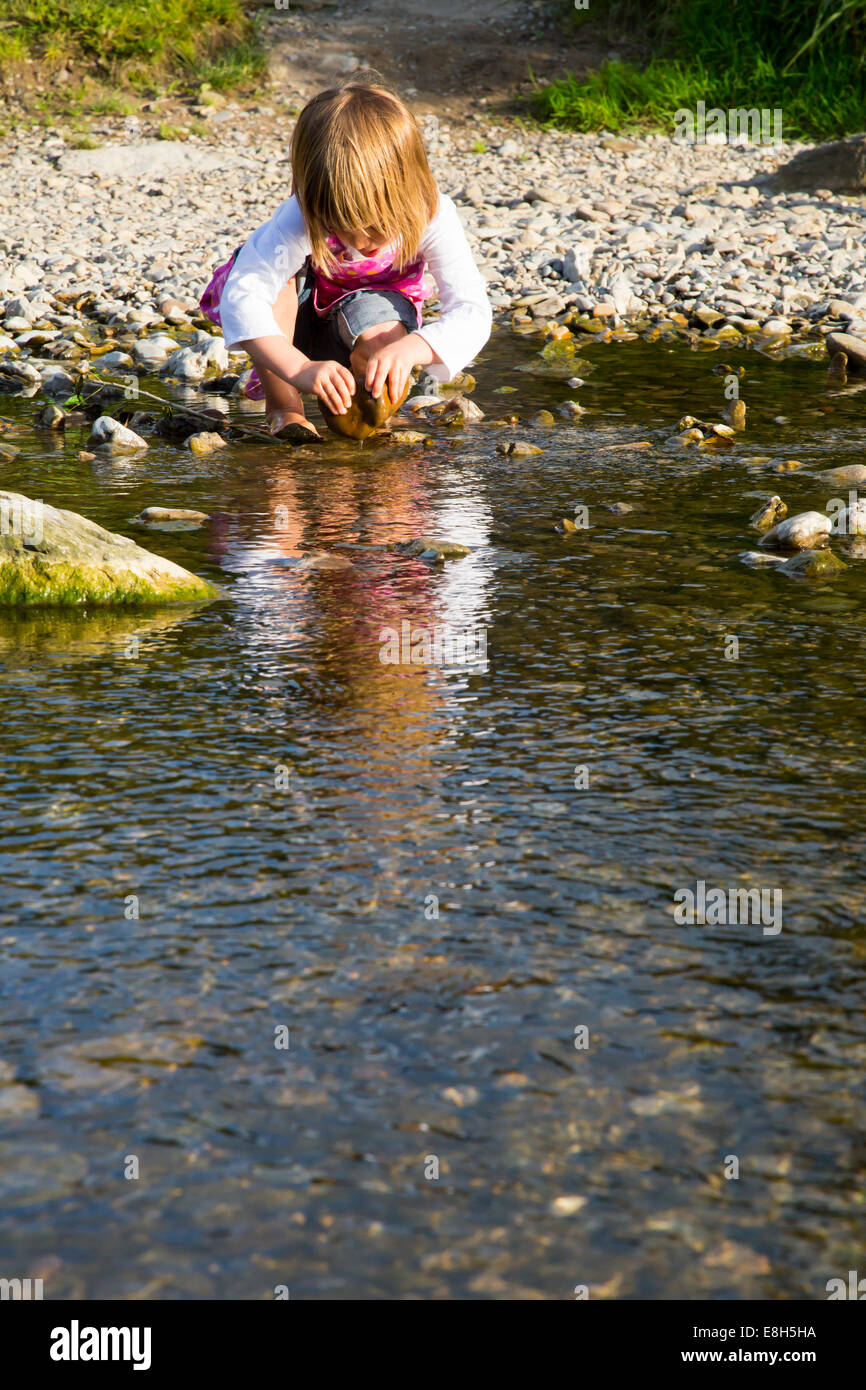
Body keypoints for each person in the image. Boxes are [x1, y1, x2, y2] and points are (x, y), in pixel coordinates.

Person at [200, 81, 492, 440]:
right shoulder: (300, 215)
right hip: (292, 334)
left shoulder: (432, 213)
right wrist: (300, 368)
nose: (361, 242)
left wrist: (410, 349)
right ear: (312, 199)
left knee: (385, 337)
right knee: (277, 285)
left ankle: (369, 418)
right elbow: (243, 298)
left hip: (368, 322)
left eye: (378, 227)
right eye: (342, 227)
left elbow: (471, 310)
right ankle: (284, 408)